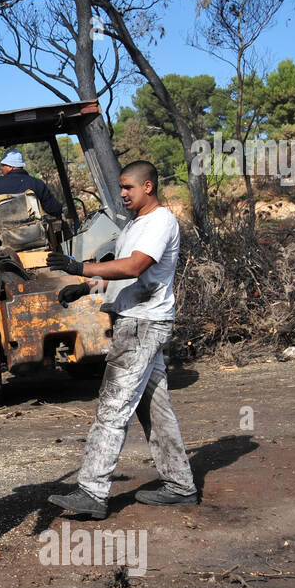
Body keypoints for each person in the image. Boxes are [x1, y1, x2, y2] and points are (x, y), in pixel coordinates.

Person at [46, 160, 198, 519]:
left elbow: (133, 267)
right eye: (121, 187)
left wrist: (80, 267)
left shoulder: (159, 222)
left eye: (129, 187)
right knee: (155, 410)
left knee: (113, 407)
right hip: (138, 321)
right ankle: (180, 485)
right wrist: (84, 288)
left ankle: (92, 491)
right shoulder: (135, 225)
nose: (123, 193)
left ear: (148, 187)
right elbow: (122, 276)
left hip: (142, 325)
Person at [0, 149, 64, 218]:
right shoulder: (36, 183)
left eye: (3, 165)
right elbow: (54, 209)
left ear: (11, 166)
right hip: (35, 233)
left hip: (5, 233)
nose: (1, 168)